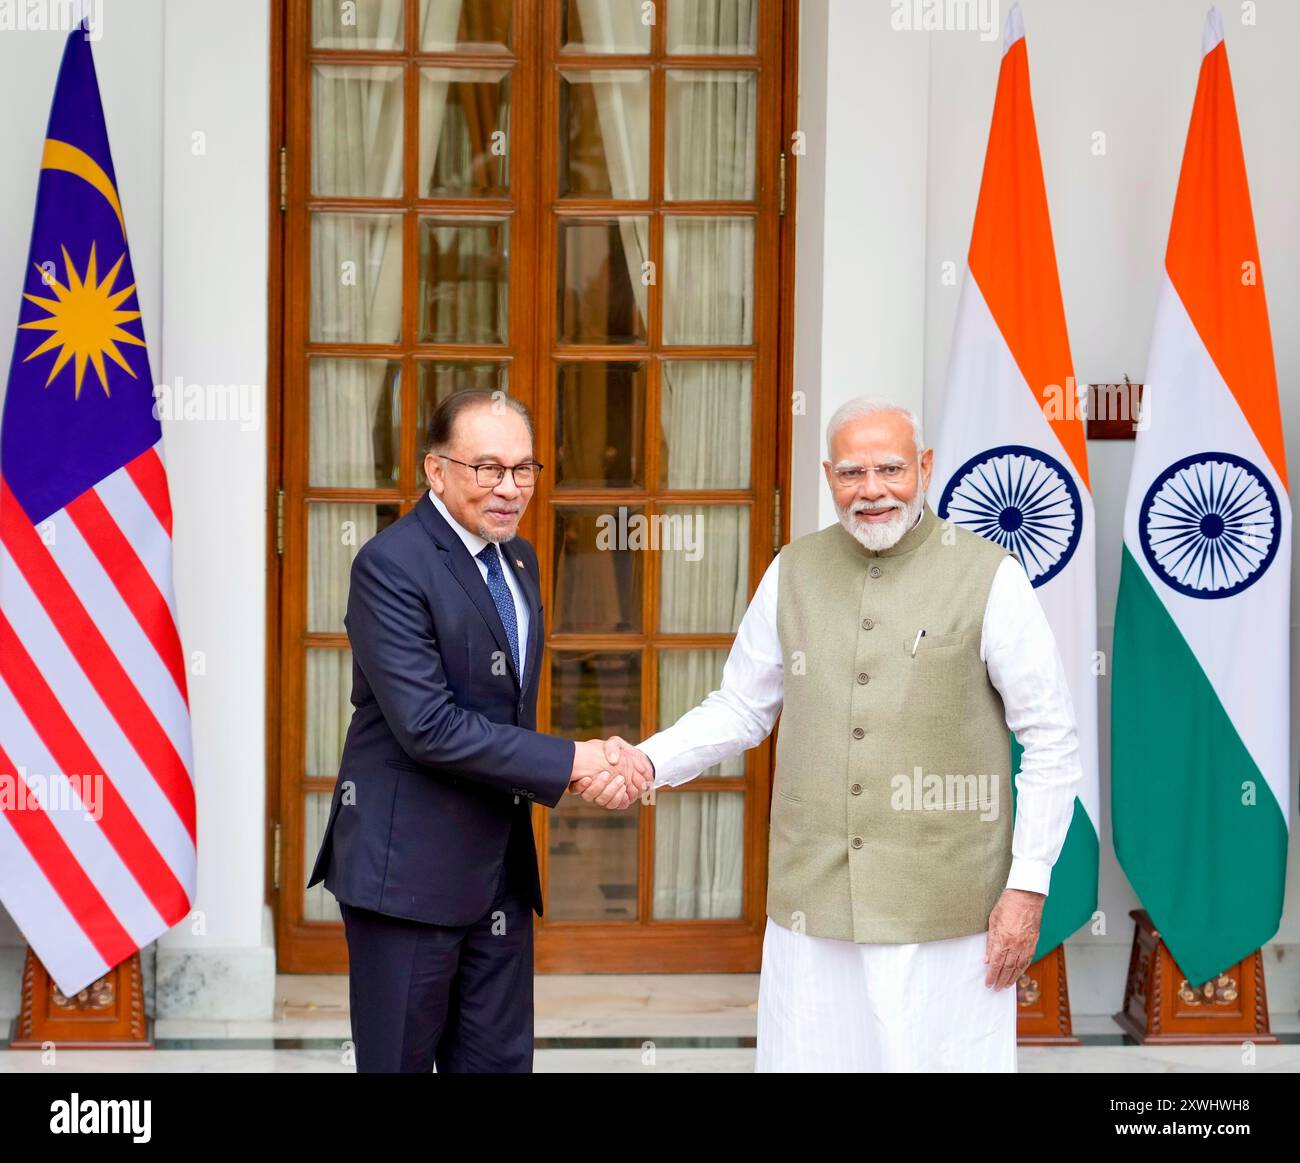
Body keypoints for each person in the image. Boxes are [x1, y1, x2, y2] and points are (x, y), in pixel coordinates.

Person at [629, 396, 1082, 1072]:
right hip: (812, 910)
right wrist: (643, 762)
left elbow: (1051, 737)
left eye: (891, 468)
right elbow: (740, 708)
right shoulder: (793, 569)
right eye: (850, 473)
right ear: (828, 475)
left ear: (925, 466)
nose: (871, 490)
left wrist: (1027, 886)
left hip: (946, 915)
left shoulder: (991, 576)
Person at [307, 389, 650, 1073]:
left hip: (498, 874)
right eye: (487, 467)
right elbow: (428, 725)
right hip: (405, 878)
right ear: (437, 471)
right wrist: (575, 759)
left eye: (523, 469)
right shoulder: (390, 565)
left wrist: (576, 763)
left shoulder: (517, 560)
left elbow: (502, 707)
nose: (510, 488)